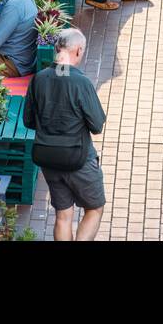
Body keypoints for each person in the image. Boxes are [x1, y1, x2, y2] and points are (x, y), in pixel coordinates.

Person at [22, 27, 106, 240]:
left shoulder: (38, 79)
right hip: (79, 159)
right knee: (95, 209)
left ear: (57, 48)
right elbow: (97, 125)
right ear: (77, 50)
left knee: (63, 215)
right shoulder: (81, 82)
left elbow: (28, 120)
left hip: (48, 158)